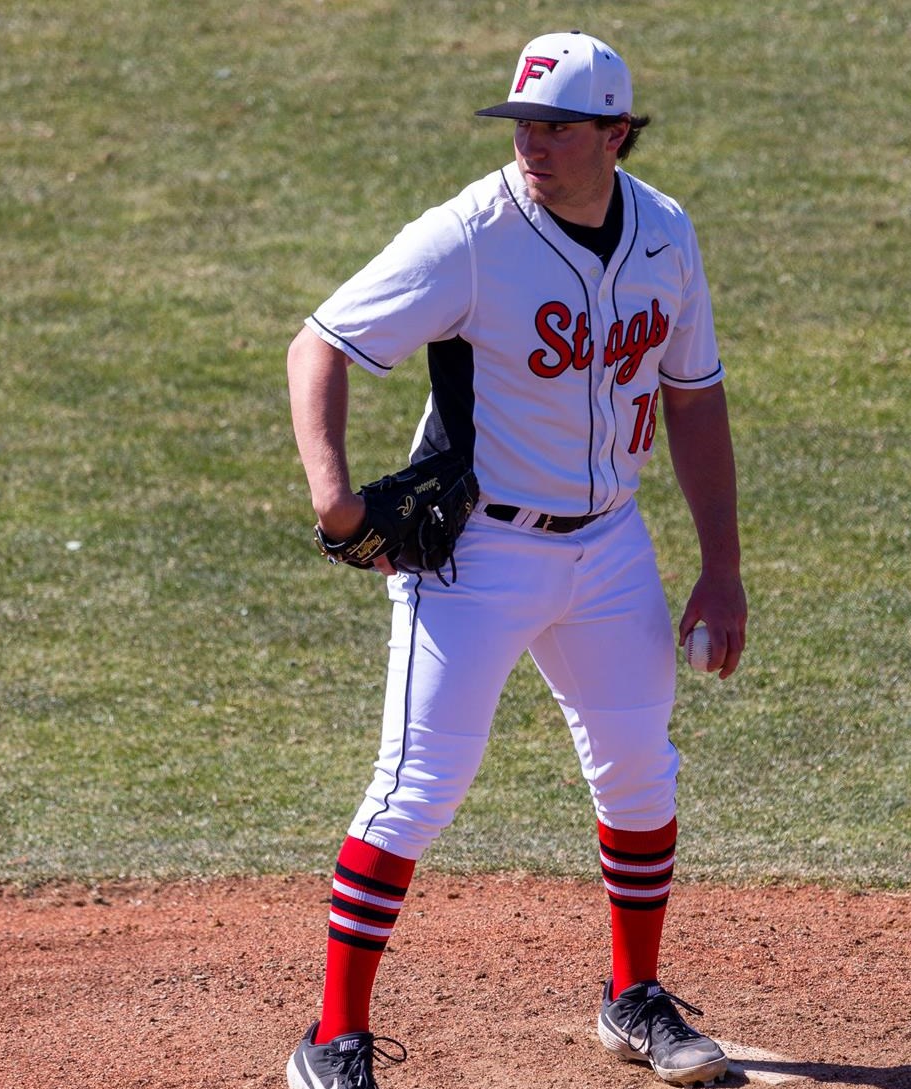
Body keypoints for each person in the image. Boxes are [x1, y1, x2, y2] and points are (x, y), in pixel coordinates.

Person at [283, 29, 746, 1088]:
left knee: (637, 772)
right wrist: (332, 493)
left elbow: (694, 394)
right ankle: (332, 1039)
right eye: (520, 124)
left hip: (611, 549)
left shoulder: (666, 234)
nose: (530, 142)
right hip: (475, 555)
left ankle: (632, 999)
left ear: (613, 133)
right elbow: (322, 342)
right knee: (416, 788)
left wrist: (719, 565)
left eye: (555, 125)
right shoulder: (469, 235)